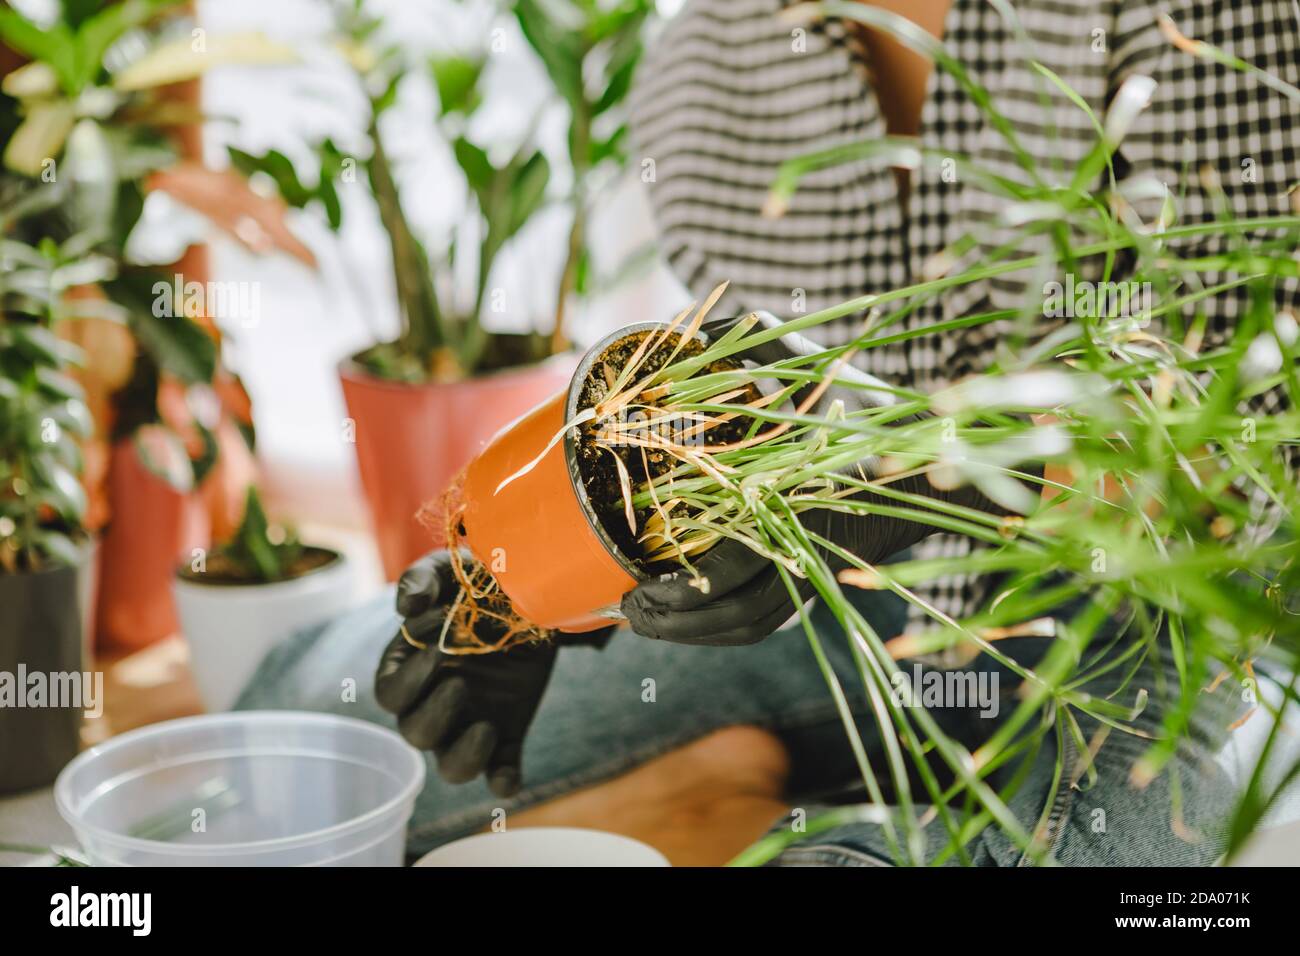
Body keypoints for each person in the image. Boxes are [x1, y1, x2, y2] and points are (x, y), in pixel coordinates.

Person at [239, 0, 1297, 864]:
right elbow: (731, 406)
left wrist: (912, 474)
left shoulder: (1204, 16)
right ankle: (723, 785)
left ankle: (791, 820)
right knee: (290, 734)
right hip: (846, 615)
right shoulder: (703, 70)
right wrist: (555, 597)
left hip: (1149, 608)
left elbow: (1238, 398)